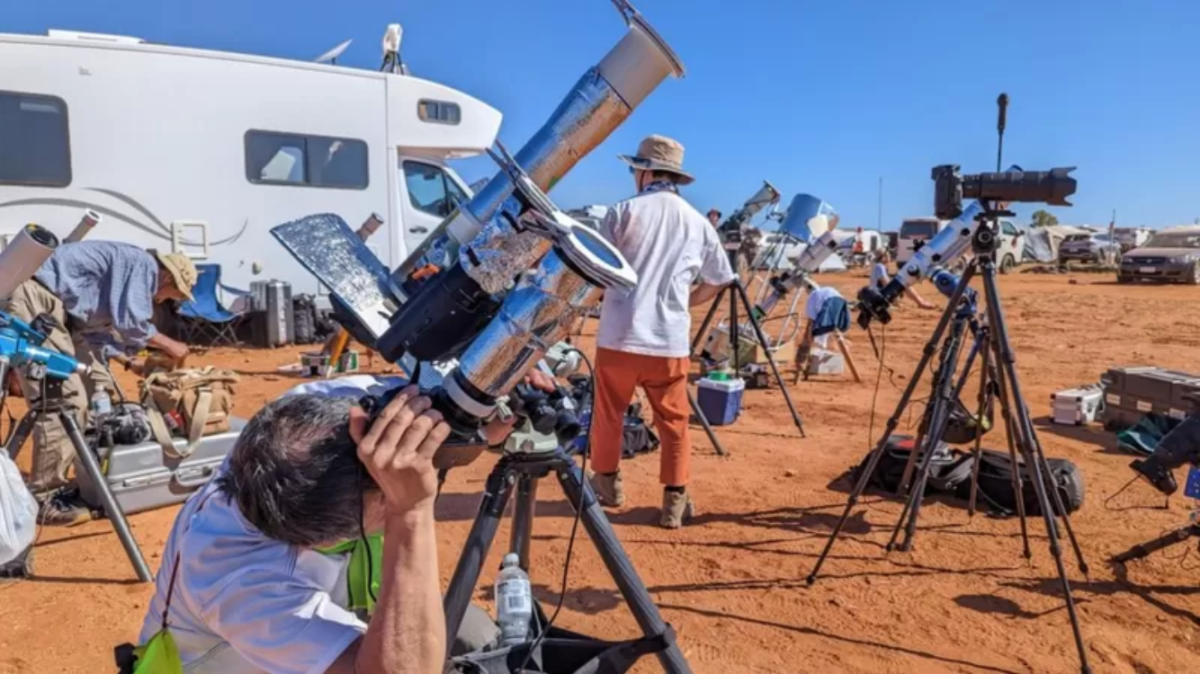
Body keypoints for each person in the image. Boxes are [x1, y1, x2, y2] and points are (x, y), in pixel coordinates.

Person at [136, 373, 553, 673]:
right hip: (230, 664)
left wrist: (489, 406)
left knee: (475, 637)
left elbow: (450, 417)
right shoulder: (241, 582)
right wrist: (410, 510)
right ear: (335, 536)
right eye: (388, 492)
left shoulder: (306, 418)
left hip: (338, 605)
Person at [589, 135, 735, 529]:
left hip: (619, 337)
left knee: (609, 415)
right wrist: (683, 303)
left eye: (634, 168)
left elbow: (597, 272)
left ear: (646, 171)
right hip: (669, 342)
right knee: (674, 424)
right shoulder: (698, 222)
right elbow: (720, 278)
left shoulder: (621, 213)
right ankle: (674, 502)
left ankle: (607, 486)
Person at [4, 241, 197, 524]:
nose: (167, 300)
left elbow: (94, 335)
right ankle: (44, 497)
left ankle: (91, 480)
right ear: (168, 277)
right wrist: (170, 345)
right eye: (174, 294)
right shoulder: (142, 264)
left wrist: (129, 362)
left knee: (100, 392)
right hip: (36, 301)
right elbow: (132, 322)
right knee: (62, 400)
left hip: (51, 309)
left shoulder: (126, 273)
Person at [870, 249, 936, 309]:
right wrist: (895, 298)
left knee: (902, 284)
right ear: (883, 257)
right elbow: (885, 282)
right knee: (904, 284)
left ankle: (920, 302)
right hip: (879, 295)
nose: (889, 255)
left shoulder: (878, 266)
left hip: (878, 294)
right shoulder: (880, 266)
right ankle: (921, 303)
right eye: (887, 254)